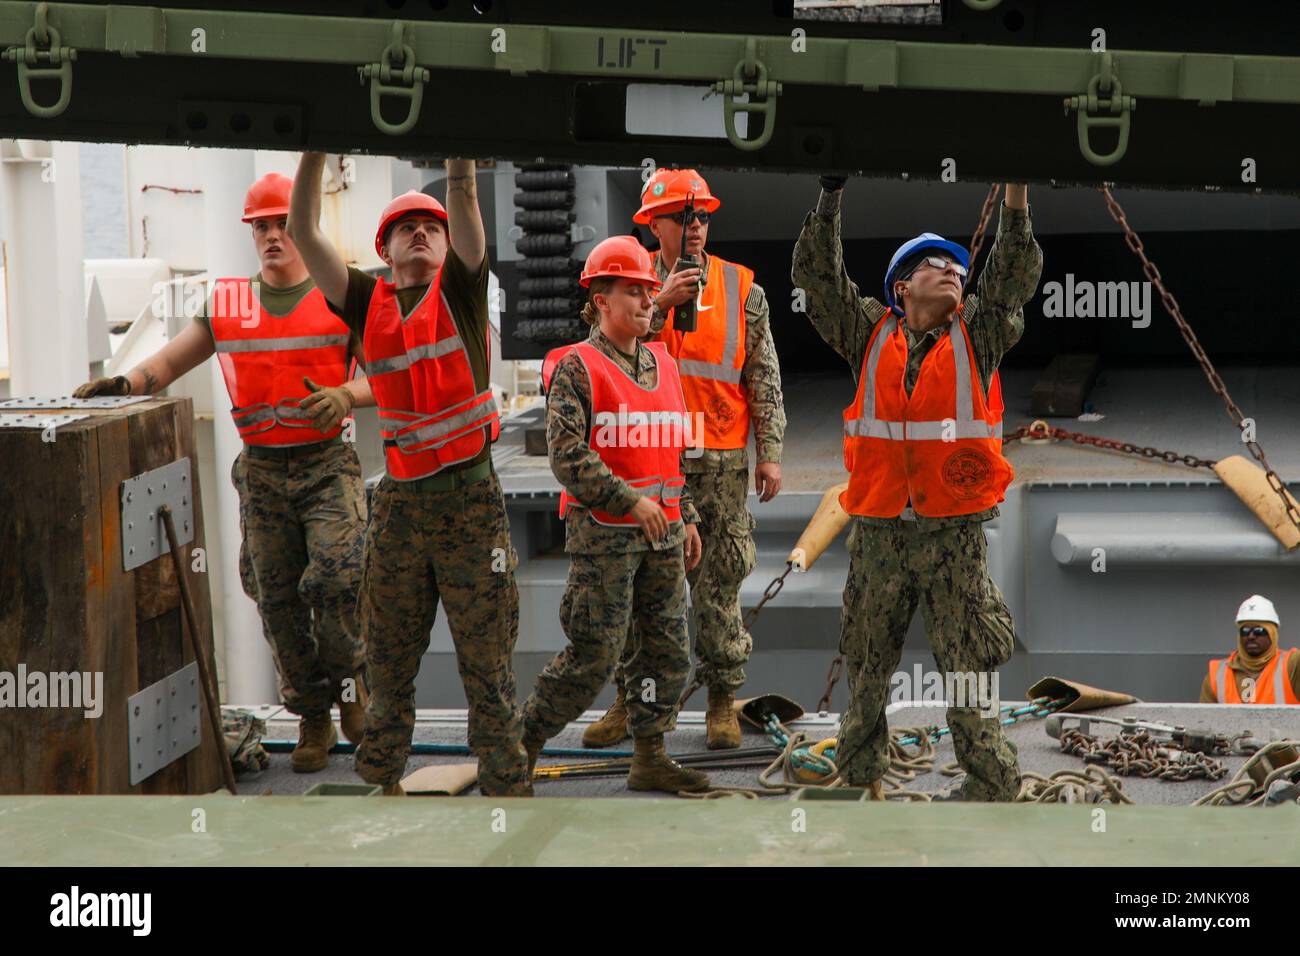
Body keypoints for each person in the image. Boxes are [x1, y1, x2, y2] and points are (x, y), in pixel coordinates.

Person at [75, 172, 371, 773]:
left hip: (325, 465)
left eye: (282, 223)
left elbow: (384, 377)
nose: (271, 235)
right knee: (278, 599)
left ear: (302, 227)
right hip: (262, 474)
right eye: (260, 225)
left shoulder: (341, 295)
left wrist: (346, 395)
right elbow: (169, 360)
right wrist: (122, 384)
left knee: (337, 580)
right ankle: (313, 717)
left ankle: (351, 688)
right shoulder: (229, 304)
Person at [791, 175, 1042, 801]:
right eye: (937, 265)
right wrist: (830, 195)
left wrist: (1016, 194)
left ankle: (991, 784)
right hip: (879, 534)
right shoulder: (867, 332)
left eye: (960, 267)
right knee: (868, 665)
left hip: (952, 539)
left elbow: (1011, 277)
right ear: (901, 287)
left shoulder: (977, 335)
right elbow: (818, 278)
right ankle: (861, 780)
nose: (955, 272)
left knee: (968, 672)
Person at [288, 153, 531, 796]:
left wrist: (457, 161)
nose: (421, 233)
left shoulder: (461, 291)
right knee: (389, 663)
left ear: (449, 245)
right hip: (400, 509)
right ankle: (380, 794)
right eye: (406, 229)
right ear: (385, 251)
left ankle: (509, 796)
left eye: (432, 227)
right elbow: (304, 231)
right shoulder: (367, 301)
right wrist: (313, 151)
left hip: (472, 504)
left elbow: (468, 208)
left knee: (489, 670)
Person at [583, 168, 786, 751]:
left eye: (701, 216)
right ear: (653, 225)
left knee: (719, 583)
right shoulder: (628, 281)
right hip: (648, 455)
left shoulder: (742, 287)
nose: (695, 227)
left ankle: (722, 697)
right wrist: (662, 304)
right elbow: (597, 356)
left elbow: (763, 375)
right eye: (682, 217)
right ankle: (636, 701)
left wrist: (768, 452)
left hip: (719, 461)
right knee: (644, 586)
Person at [522, 235, 709, 794]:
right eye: (633, 291)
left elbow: (672, 451)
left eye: (650, 291)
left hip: (665, 536)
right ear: (600, 299)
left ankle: (649, 755)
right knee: (593, 655)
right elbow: (567, 456)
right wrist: (630, 501)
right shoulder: (578, 368)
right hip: (606, 538)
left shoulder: (666, 366)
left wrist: (688, 515)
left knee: (668, 654)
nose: (647, 301)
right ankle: (519, 746)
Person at [1202, 594, 1299, 704]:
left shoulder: (1293, 664)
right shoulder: (1217, 674)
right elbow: (1204, 719)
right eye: (1245, 630)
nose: (1251, 636)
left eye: (1259, 630)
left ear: (1273, 634)